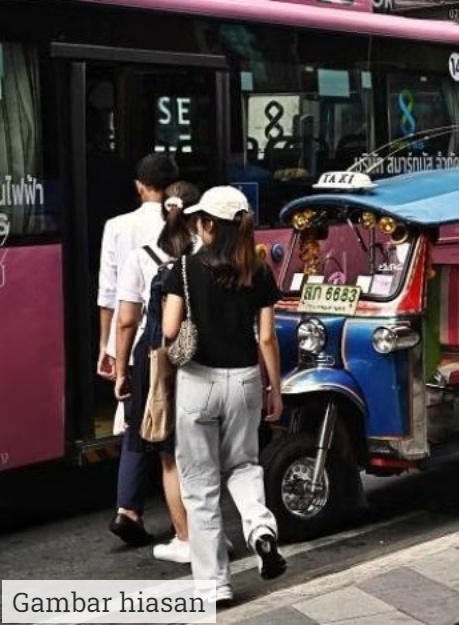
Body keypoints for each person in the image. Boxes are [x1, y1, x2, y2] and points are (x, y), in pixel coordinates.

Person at [162, 186, 286, 602]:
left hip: (198, 381)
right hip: (246, 380)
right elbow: (266, 337)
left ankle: (215, 584)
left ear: (209, 225)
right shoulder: (260, 269)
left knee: (199, 486)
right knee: (245, 465)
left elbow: (168, 331)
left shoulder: (183, 268)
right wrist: (277, 390)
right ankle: (260, 527)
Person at [113, 182, 200, 564]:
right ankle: (205, 534)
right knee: (199, 452)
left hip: (153, 361)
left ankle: (185, 536)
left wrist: (120, 370)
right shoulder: (205, 254)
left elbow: (127, 320)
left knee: (166, 452)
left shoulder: (140, 257)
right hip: (198, 357)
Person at [99, 152, 178, 546]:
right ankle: (187, 525)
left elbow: (109, 295)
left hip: (136, 342)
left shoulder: (116, 227)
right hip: (173, 342)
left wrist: (108, 347)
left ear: (138, 185)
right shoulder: (185, 226)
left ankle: (127, 508)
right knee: (171, 428)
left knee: (135, 423)